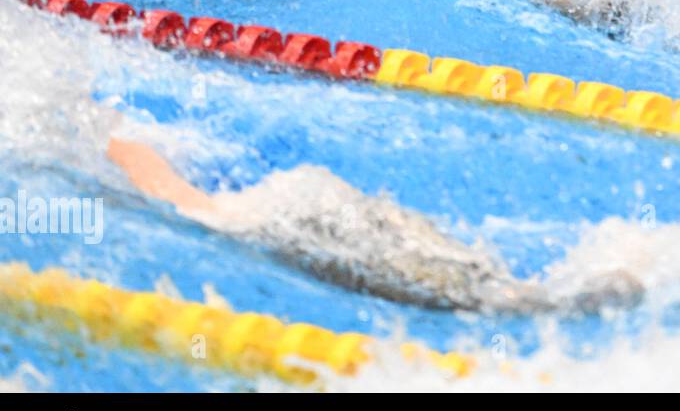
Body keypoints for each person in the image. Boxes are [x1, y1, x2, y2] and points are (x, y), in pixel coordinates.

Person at [104, 135, 643, 315]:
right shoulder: (112, 128)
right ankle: (562, 288)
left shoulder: (90, 142)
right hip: (298, 193)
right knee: (492, 286)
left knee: (495, 300)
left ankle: (548, 298)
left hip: (269, 217)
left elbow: (176, 202)